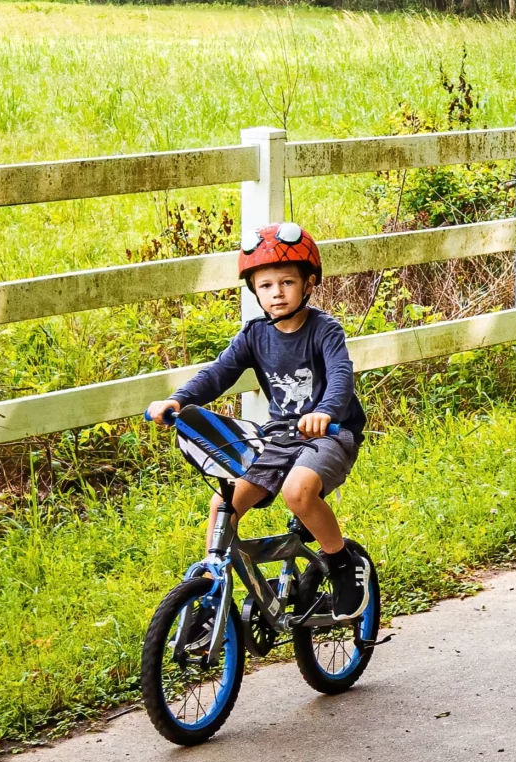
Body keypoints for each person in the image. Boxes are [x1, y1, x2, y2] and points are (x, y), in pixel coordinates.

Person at [145, 223, 371, 617]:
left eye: (286, 282)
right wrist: (178, 401)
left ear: (309, 284)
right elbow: (217, 374)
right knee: (223, 504)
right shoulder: (254, 336)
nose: (277, 292)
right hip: (280, 435)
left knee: (298, 492)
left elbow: (340, 377)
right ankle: (213, 596)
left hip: (329, 435)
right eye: (265, 286)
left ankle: (342, 564)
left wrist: (325, 412)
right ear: (255, 291)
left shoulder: (324, 330)